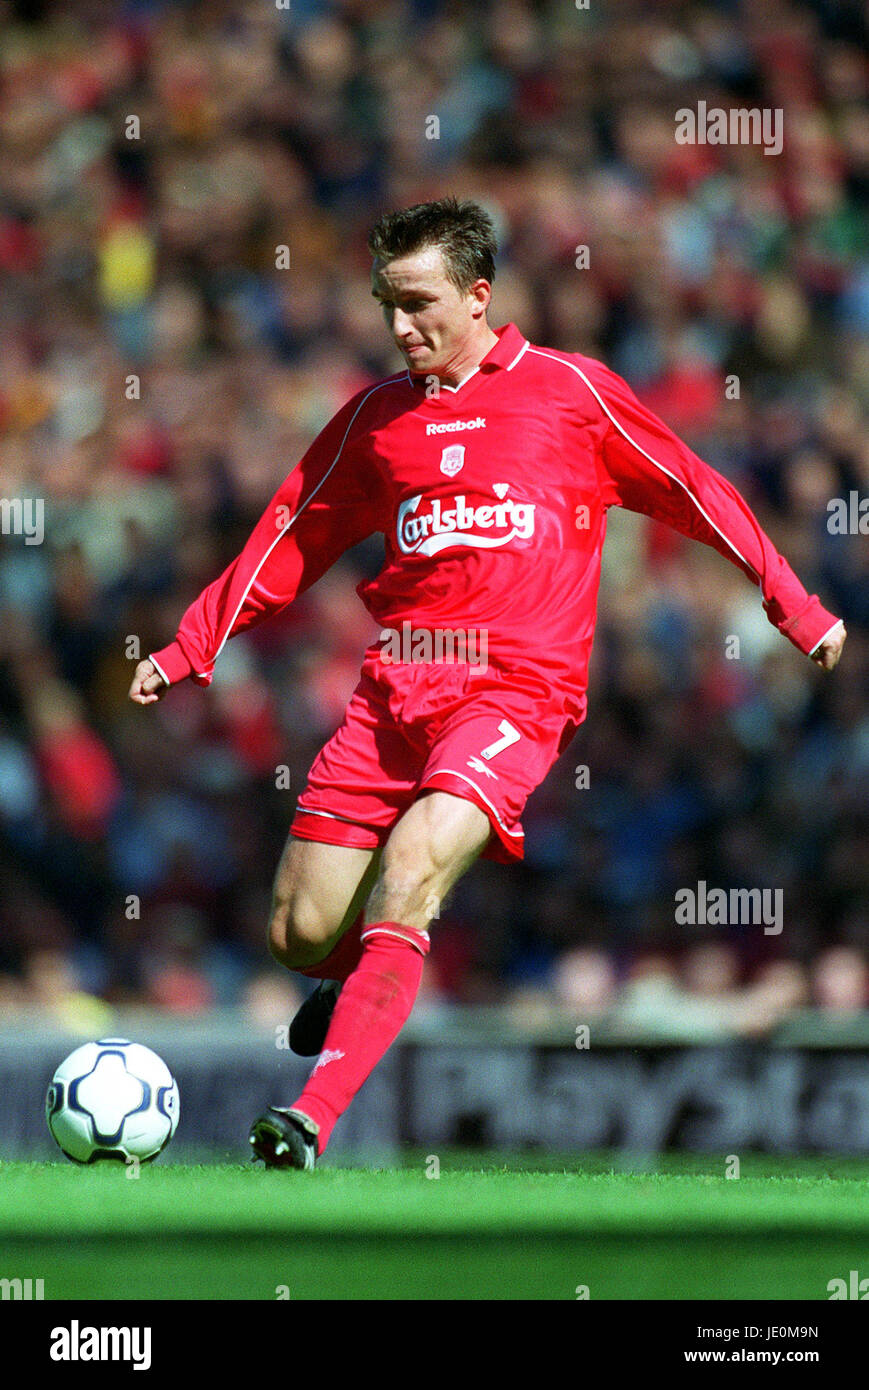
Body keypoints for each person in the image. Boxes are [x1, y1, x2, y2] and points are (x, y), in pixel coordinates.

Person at [129, 198, 846, 1170]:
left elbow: (691, 488)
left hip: (515, 693)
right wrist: (187, 650)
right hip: (396, 690)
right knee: (300, 930)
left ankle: (309, 1117)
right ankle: (352, 980)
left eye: (416, 302)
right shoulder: (376, 422)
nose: (397, 325)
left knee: (414, 868)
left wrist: (792, 605)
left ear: (477, 296)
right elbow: (291, 534)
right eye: (386, 303)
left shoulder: (569, 394)